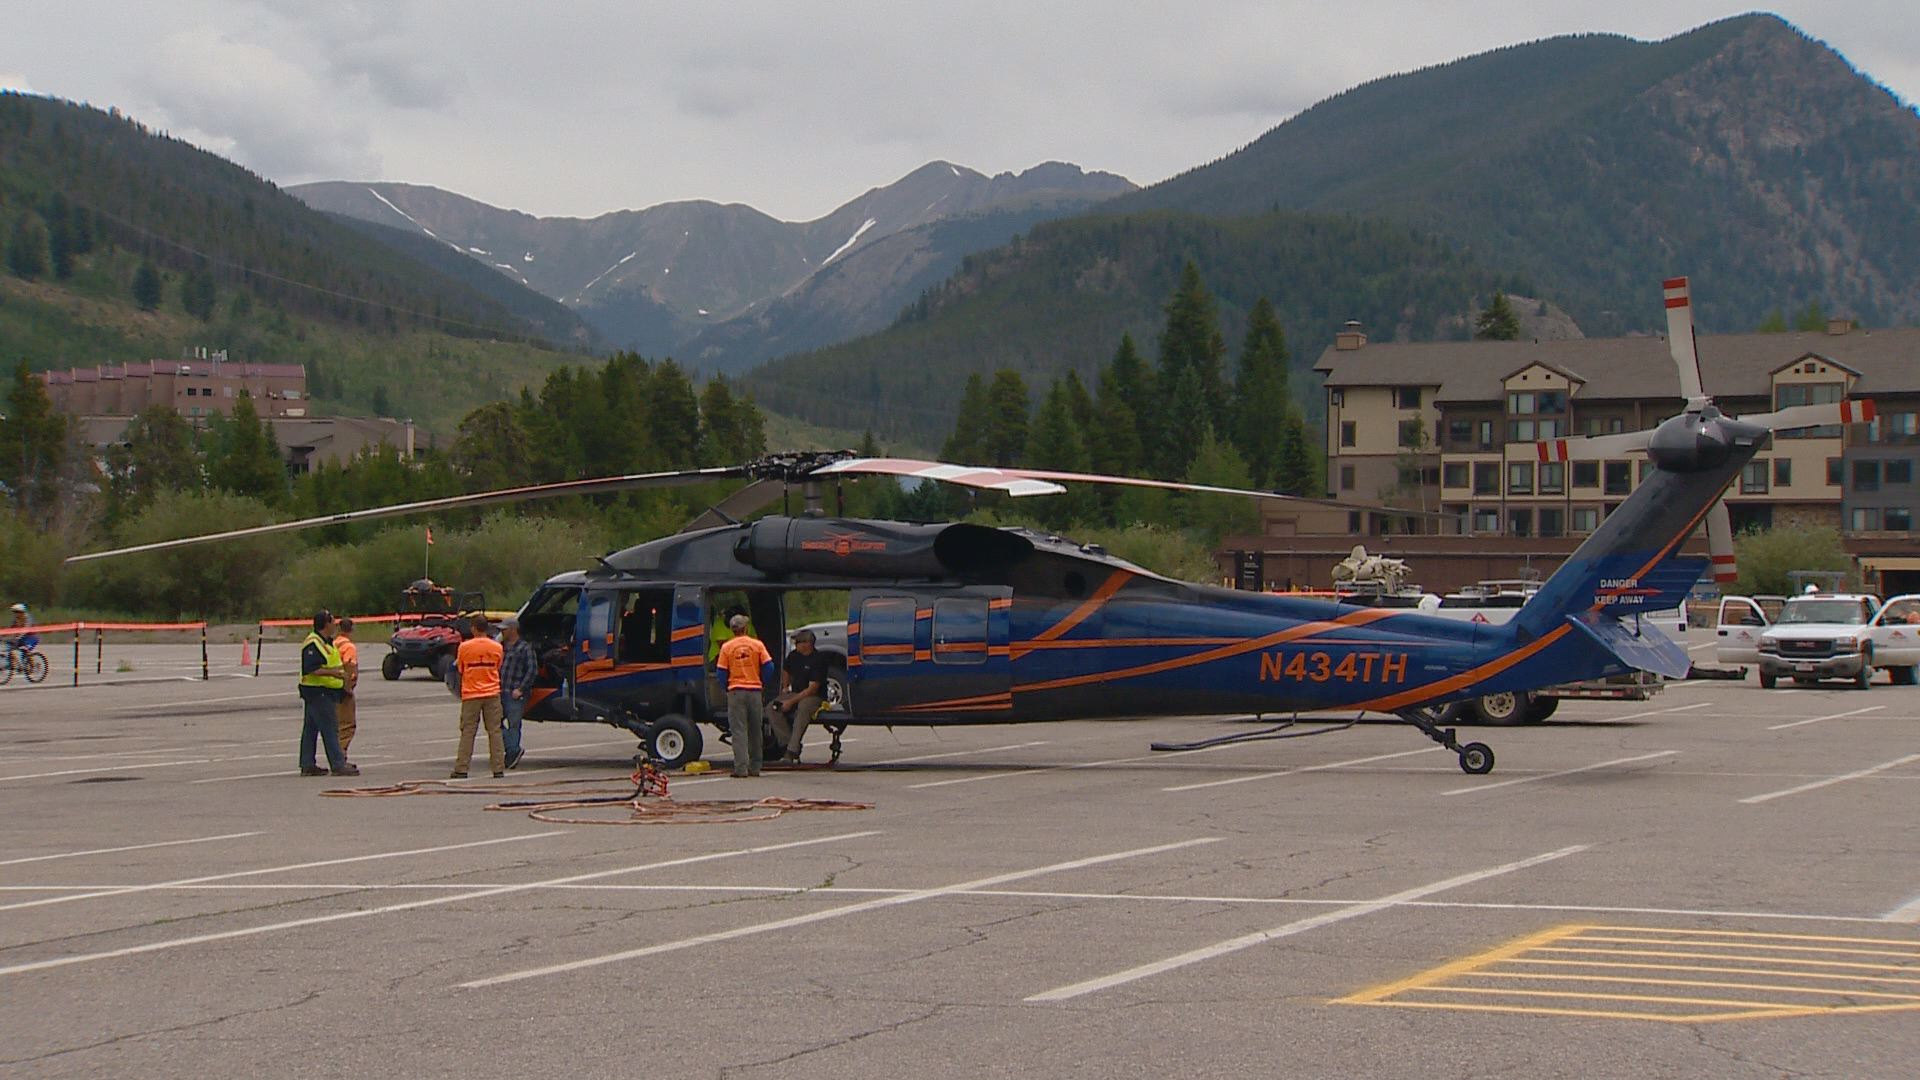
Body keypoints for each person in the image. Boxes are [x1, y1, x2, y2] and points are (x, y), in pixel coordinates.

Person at [297, 611, 358, 777]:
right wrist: (335, 674)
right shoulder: (313, 643)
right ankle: (338, 764)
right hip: (319, 692)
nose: (335, 625)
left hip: (324, 692)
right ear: (326, 624)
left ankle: (307, 763)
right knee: (330, 727)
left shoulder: (327, 642)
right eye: (333, 622)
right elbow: (311, 668)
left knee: (310, 728)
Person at [715, 614, 773, 777]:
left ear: (732, 629)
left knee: (739, 730)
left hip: (736, 690)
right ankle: (755, 767)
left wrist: (726, 687)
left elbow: (721, 671)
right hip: (754, 690)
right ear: (746, 628)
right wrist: (762, 681)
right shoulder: (757, 645)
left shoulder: (727, 647)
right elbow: (769, 666)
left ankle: (741, 768)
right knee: (756, 729)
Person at [451, 615, 506, 779]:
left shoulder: (464, 647)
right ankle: (498, 768)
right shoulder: (497, 647)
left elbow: (461, 668)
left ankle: (462, 768)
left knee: (468, 732)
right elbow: (498, 666)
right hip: (492, 693)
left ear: (473, 628)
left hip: (471, 693)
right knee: (495, 731)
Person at [766, 629, 827, 764]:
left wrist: (791, 702)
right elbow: (786, 670)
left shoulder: (818, 660)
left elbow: (812, 689)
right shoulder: (794, 656)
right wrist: (785, 687)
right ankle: (786, 743)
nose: (795, 645)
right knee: (772, 707)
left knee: (803, 707)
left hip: (814, 696)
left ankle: (791, 751)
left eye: (798, 642)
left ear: (807, 644)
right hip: (796, 692)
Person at [498, 616, 536, 771]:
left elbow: (532, 670)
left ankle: (511, 754)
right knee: (494, 723)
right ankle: (513, 749)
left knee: (514, 724)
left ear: (513, 630)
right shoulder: (501, 647)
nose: (502, 632)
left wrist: (521, 689)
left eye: (504, 629)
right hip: (500, 691)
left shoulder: (525, 648)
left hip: (515, 693)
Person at [334, 617, 360, 752]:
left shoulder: (333, 644)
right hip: (343, 689)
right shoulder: (349, 647)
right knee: (347, 725)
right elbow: (350, 668)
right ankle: (341, 754)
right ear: (351, 629)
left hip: (331, 688)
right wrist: (348, 688)